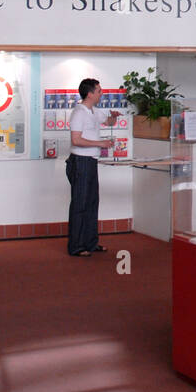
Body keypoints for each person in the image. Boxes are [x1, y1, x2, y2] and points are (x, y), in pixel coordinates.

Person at [67, 77, 119, 257]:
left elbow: (109, 122)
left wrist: (113, 117)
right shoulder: (79, 113)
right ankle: (76, 246)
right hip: (80, 162)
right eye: (99, 91)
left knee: (91, 203)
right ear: (90, 94)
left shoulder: (94, 111)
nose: (101, 93)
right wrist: (100, 144)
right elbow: (76, 140)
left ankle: (90, 242)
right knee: (80, 204)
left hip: (90, 162)